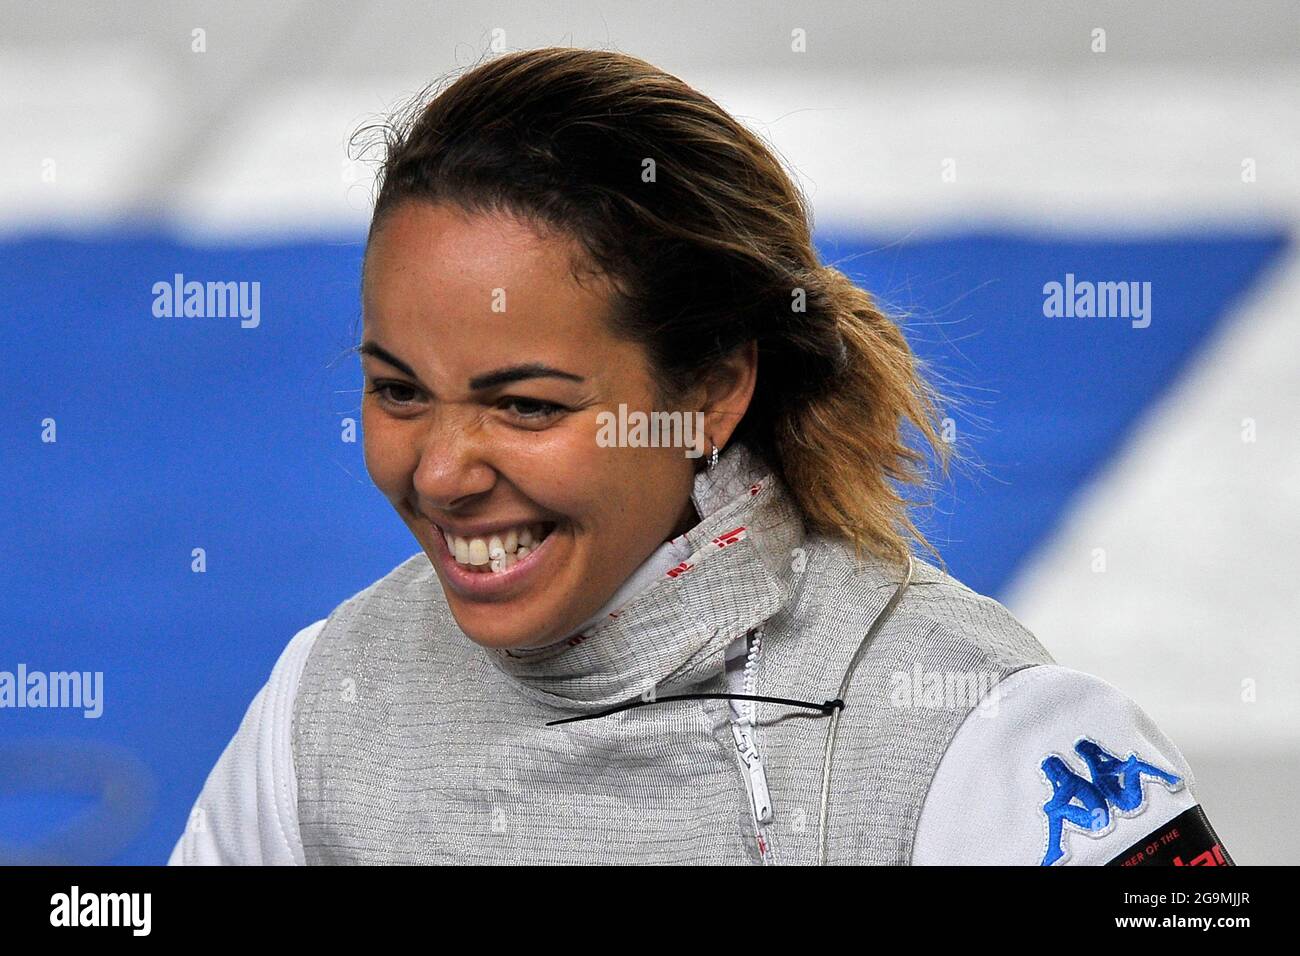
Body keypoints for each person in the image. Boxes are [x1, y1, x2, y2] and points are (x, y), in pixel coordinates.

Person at [169, 47, 1231, 866]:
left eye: (527, 406)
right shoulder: (327, 703)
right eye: (399, 390)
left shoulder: (984, 735)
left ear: (714, 389)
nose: (442, 472)